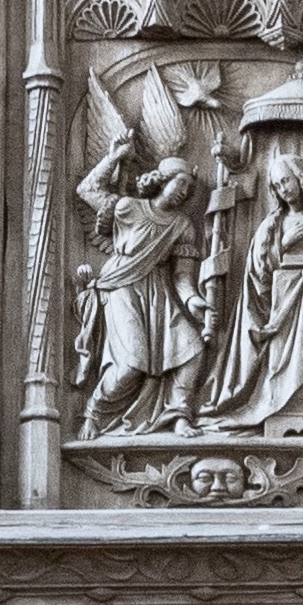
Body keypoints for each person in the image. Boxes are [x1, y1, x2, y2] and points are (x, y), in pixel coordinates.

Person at [210, 149, 303, 432]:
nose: (283, 189)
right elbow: (259, 274)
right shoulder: (272, 225)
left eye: (287, 181)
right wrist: (281, 248)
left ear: (301, 179)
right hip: (278, 307)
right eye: (278, 185)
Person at [77, 139, 217, 433]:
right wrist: (114, 157)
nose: (183, 193)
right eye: (179, 185)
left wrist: (195, 302)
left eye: (189, 191)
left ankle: (179, 415)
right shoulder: (128, 207)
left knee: (193, 350)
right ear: (161, 181)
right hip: (122, 287)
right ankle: (94, 412)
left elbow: (181, 277)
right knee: (130, 366)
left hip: (158, 291)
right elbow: (86, 190)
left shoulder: (182, 226)